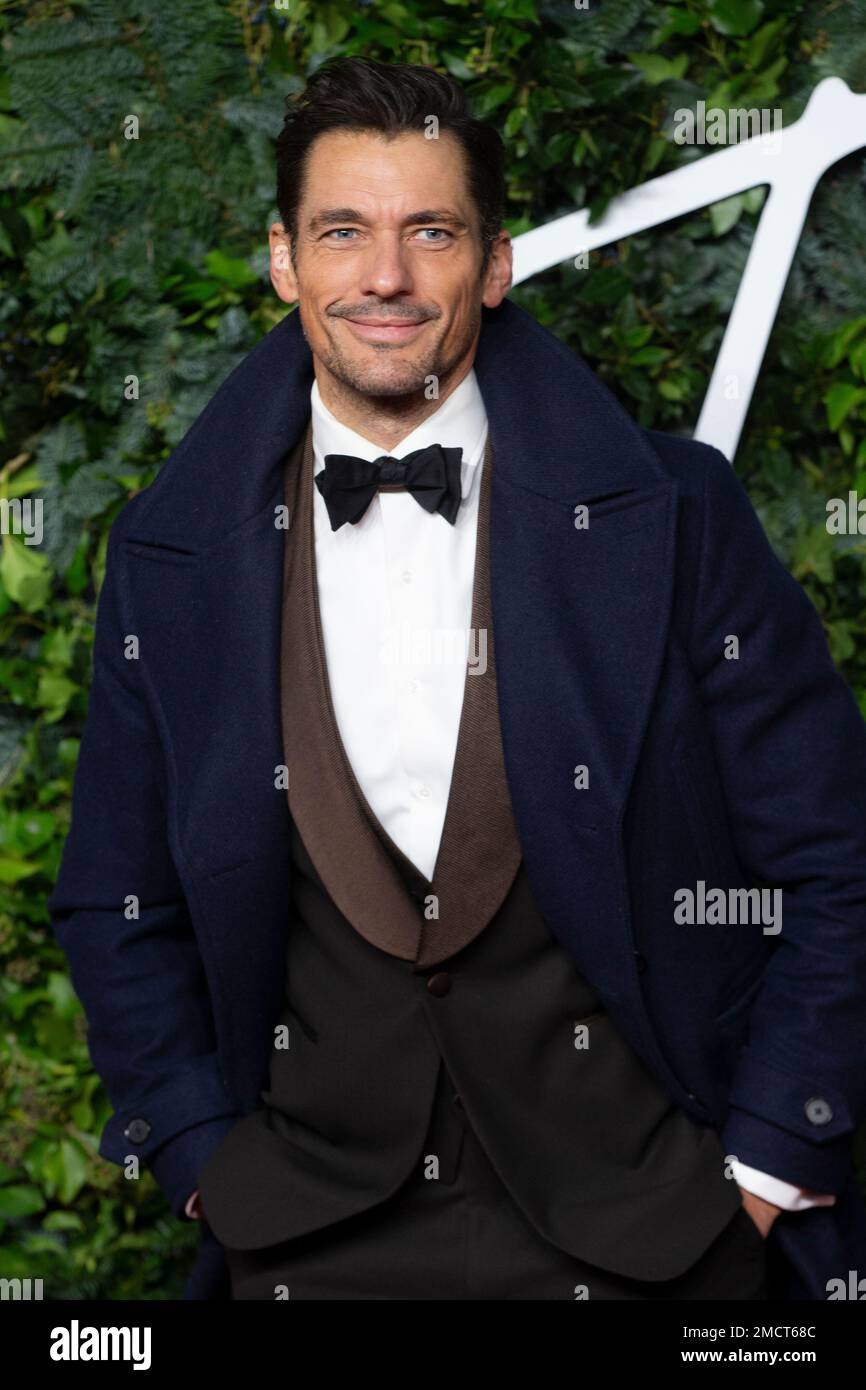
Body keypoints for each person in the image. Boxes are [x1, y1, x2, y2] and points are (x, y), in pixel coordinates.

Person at [49, 56, 866, 1301]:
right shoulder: (170, 556)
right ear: (284, 261)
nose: (384, 277)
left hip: (657, 1232)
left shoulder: (676, 514)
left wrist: (763, 1158)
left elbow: (835, 855)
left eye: (429, 231)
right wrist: (201, 1157)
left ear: (492, 261)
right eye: (342, 233)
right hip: (304, 1239)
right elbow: (116, 901)